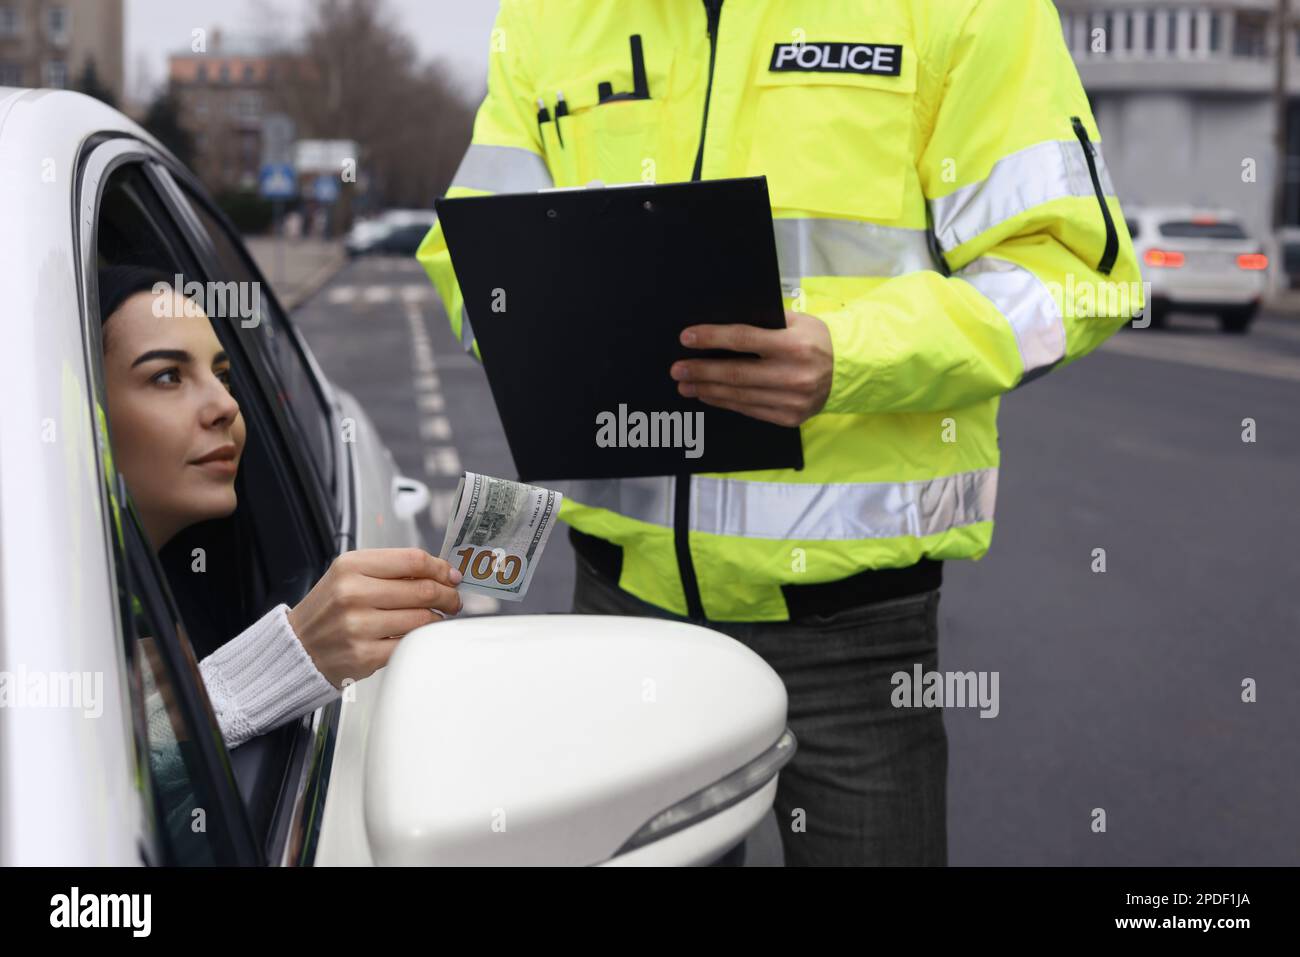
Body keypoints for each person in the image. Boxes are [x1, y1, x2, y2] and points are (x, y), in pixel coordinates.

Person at [418, 0, 1143, 865]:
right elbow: (471, 249)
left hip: (855, 641)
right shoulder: (552, 15)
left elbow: (1075, 275)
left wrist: (853, 355)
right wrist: (539, 321)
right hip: (623, 617)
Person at [97, 265, 463, 750]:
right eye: (168, 376)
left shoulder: (179, 587)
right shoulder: (41, 621)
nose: (226, 405)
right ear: (85, 410)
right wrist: (292, 654)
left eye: (222, 375)